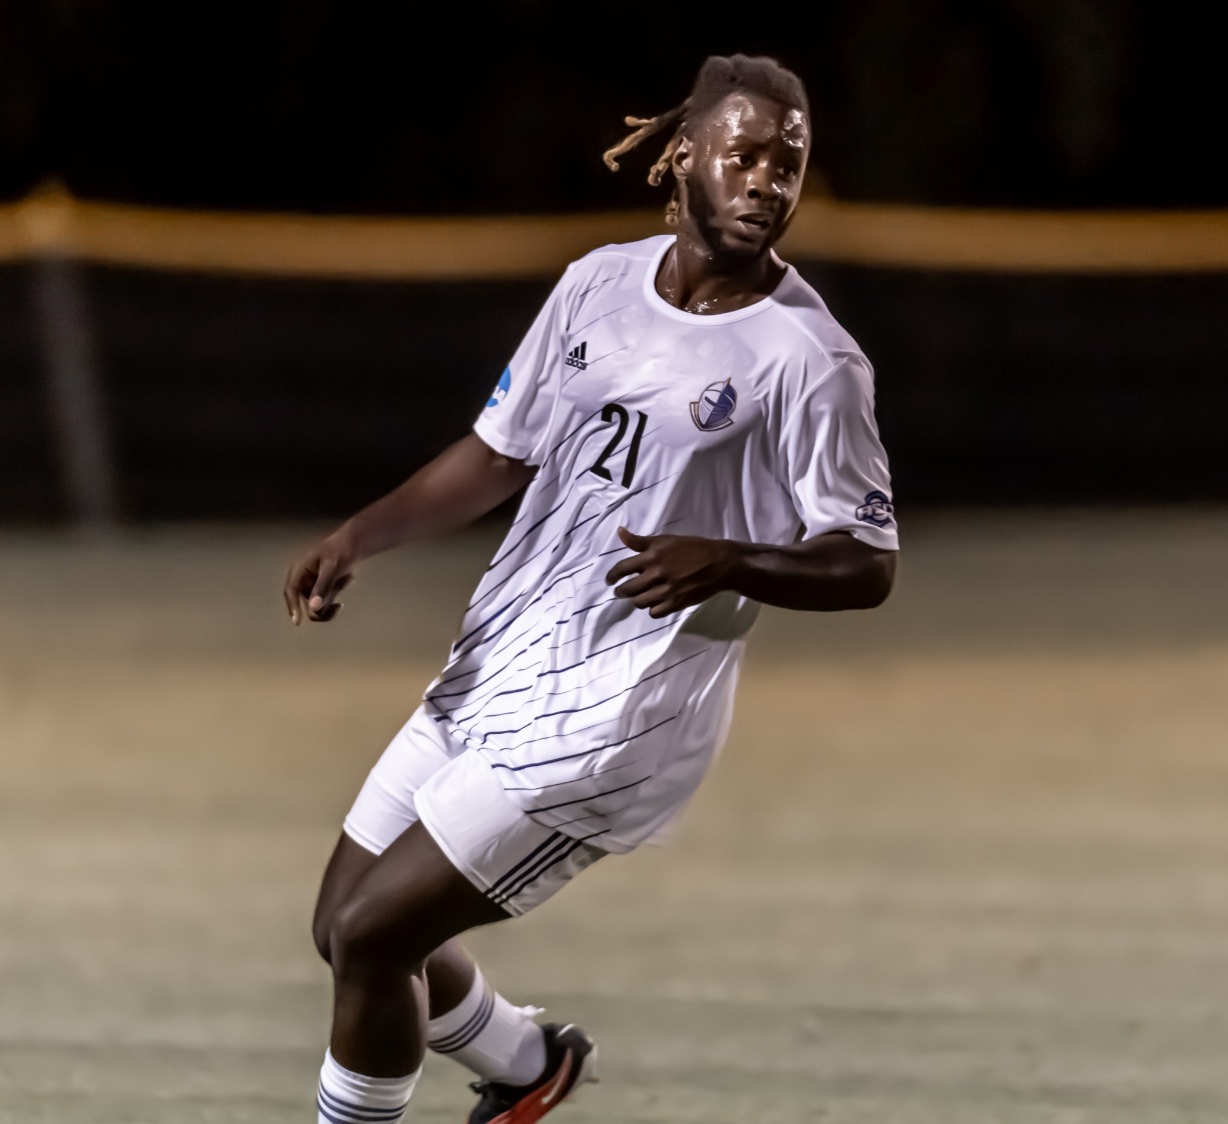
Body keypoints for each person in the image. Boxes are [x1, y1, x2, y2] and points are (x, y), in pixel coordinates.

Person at [284, 54, 898, 1124]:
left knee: (379, 934)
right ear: (681, 155)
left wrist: (735, 555)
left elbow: (867, 562)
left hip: (617, 713)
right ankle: (529, 1065)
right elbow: (496, 452)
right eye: (743, 152)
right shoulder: (595, 283)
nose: (765, 180)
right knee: (341, 924)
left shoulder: (809, 359)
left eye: (787, 163)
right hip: (500, 664)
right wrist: (360, 535)